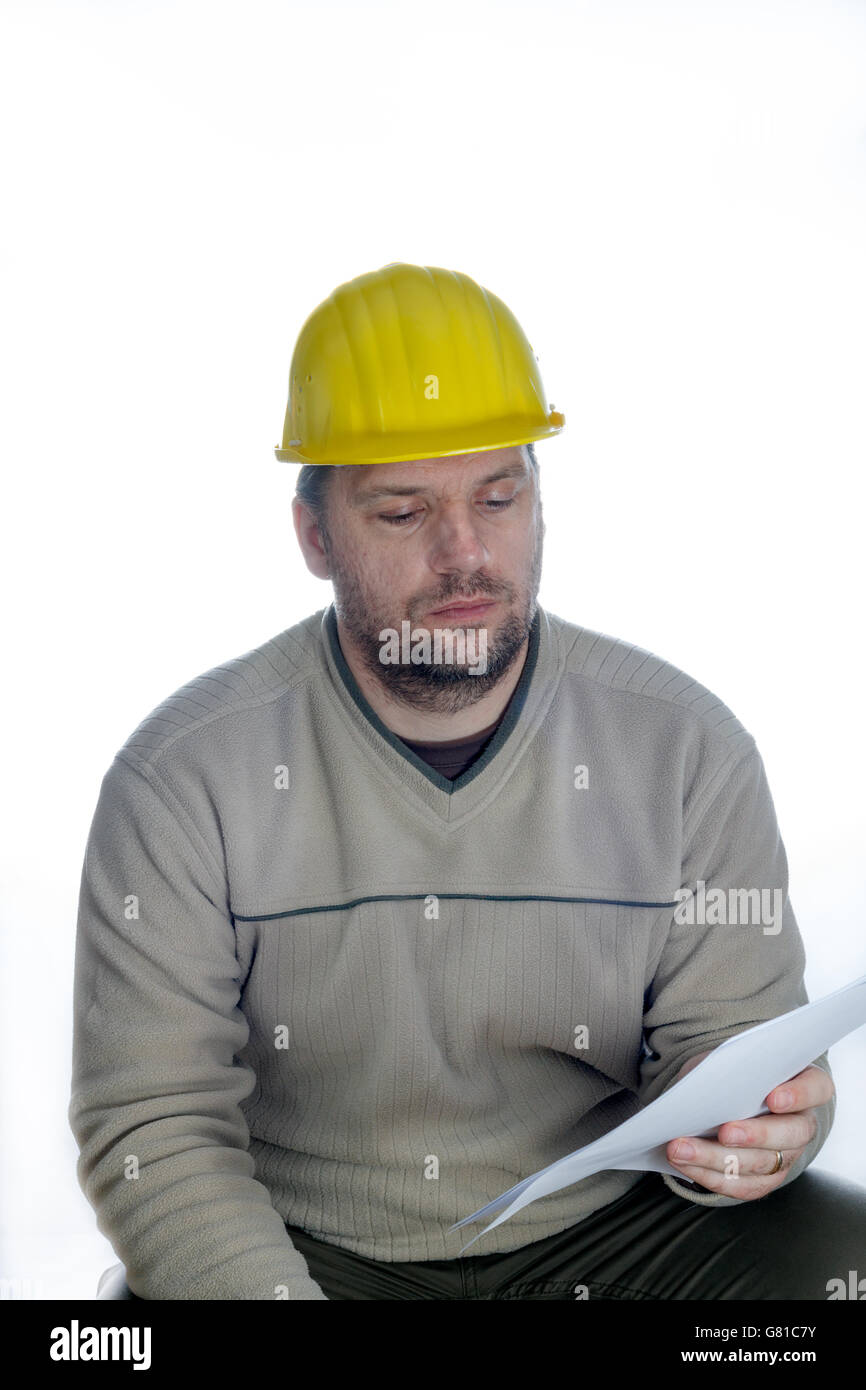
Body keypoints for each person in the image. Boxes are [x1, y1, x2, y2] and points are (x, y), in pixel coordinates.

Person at [70, 263, 866, 1301]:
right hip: (309, 1252)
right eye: (402, 512)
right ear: (314, 535)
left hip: (614, 1238)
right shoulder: (182, 778)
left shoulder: (684, 746)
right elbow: (154, 1123)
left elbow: (733, 1057)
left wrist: (761, 1139)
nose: (464, 554)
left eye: (498, 496)